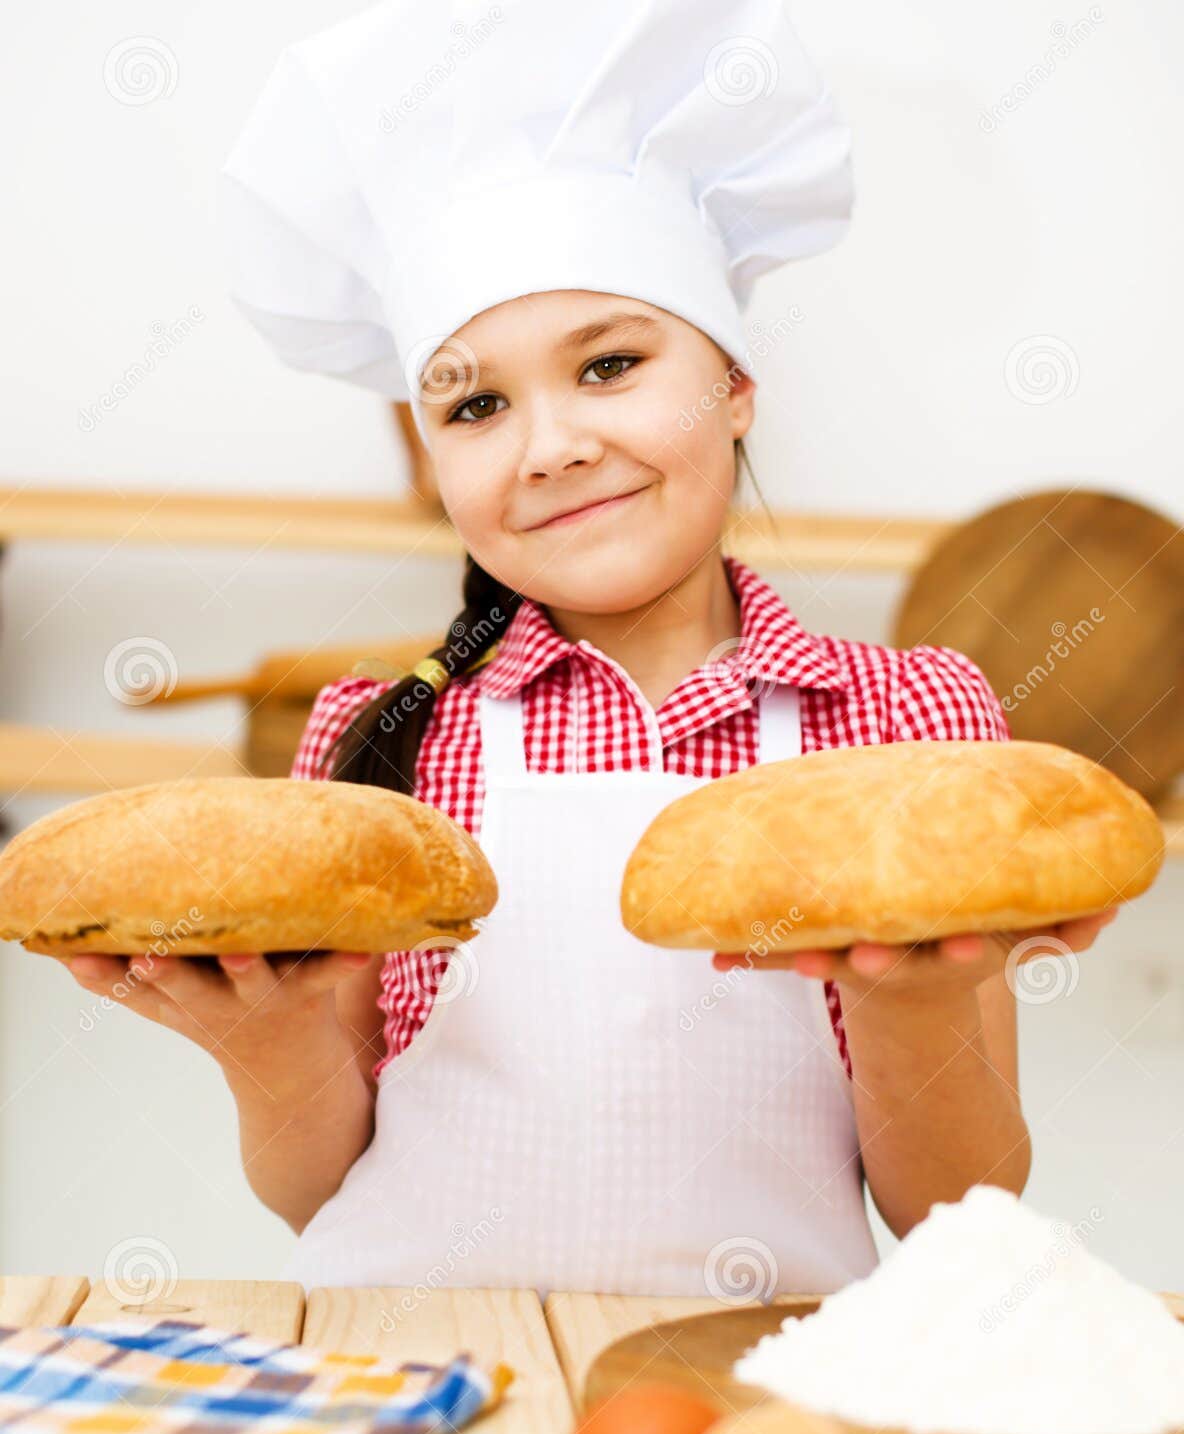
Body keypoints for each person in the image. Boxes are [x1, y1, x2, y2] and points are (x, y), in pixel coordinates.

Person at [57, 1, 1116, 1297]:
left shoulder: (906, 725)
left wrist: (911, 999)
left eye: (609, 365)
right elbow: (318, 1191)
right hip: (407, 1368)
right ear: (432, 461)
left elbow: (958, 1211)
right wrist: (267, 1051)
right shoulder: (381, 738)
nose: (551, 446)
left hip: (745, 1381)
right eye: (476, 405)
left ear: (735, 385)